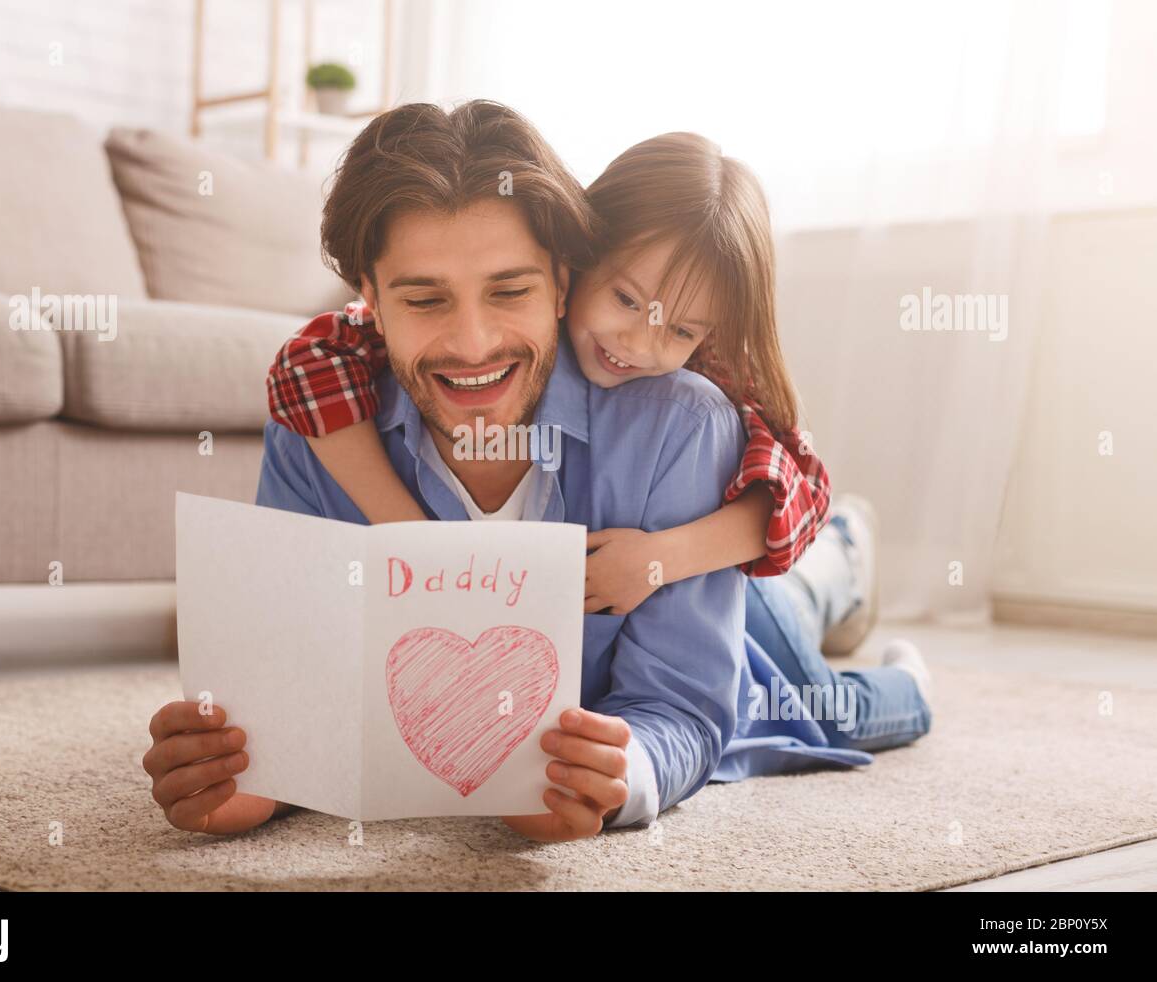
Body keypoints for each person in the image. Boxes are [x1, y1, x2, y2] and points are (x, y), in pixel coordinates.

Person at [142, 101, 932, 843]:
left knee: (800, 695)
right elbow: (299, 691)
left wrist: (624, 777)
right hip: (718, 577)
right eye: (424, 300)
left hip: (734, 589)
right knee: (789, 596)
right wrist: (258, 777)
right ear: (369, 301)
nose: (474, 343)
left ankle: (847, 560)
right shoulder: (321, 418)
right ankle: (839, 555)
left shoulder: (686, 424)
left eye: (510, 290)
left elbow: (684, 707)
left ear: (562, 278)